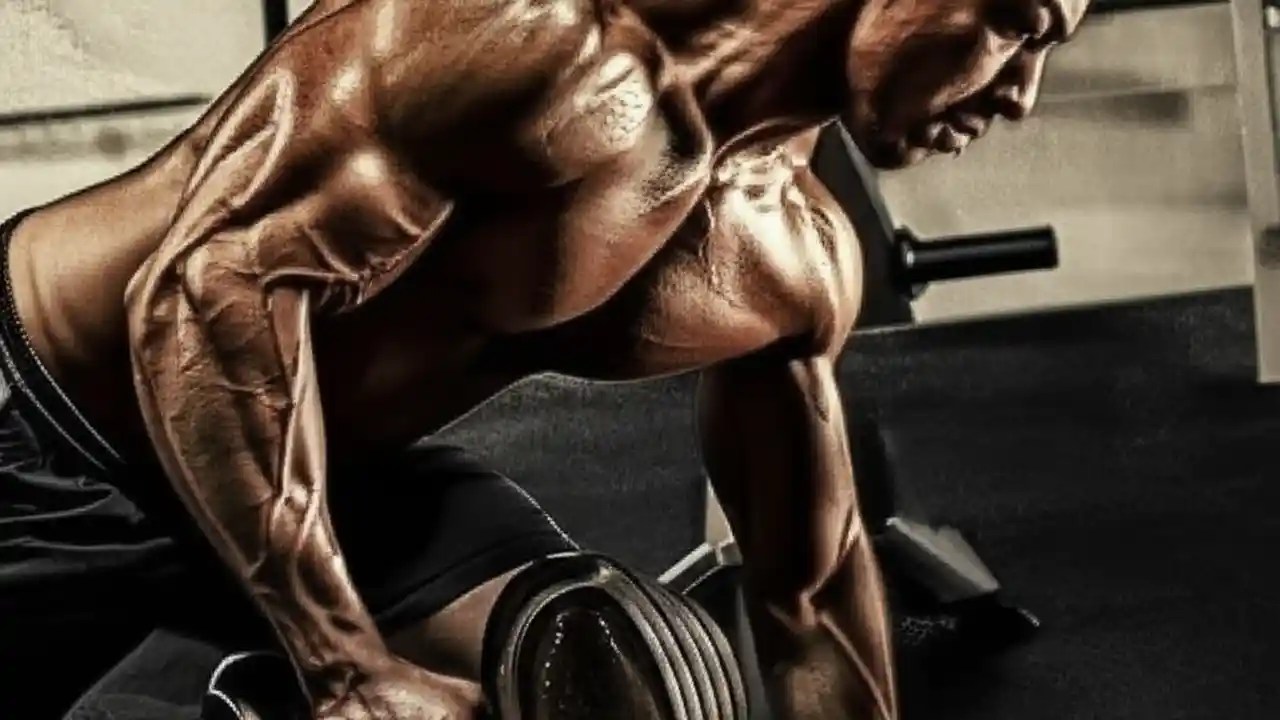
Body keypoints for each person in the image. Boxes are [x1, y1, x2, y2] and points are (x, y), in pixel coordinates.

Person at [0, 0, 1089, 718]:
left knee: (606, 672)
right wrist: (345, 667)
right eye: (1011, 21)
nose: (1022, 92)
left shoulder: (790, 253)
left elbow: (803, 594)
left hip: (329, 469)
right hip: (45, 422)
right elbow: (199, 300)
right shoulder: (538, 48)